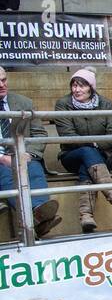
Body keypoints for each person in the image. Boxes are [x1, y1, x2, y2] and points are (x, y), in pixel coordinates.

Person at [53, 67, 112, 233]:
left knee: (86, 164)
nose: (77, 90)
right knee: (87, 152)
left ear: (91, 87)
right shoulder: (63, 104)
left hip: (104, 156)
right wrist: (93, 144)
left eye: (82, 86)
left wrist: (93, 145)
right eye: (74, 85)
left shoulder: (106, 104)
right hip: (71, 155)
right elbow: (68, 136)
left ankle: (86, 215)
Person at [0, 65, 59, 238]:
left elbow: (39, 133)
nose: (2, 85)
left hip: (22, 155)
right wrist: (3, 158)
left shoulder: (23, 103)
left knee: (33, 168)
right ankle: (40, 218)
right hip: (1, 160)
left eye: (3, 80)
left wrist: (28, 154)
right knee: (6, 175)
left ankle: (39, 210)